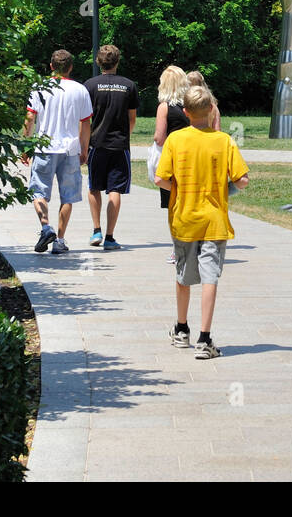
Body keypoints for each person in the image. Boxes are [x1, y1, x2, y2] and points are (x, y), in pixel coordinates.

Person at [155, 83, 249, 359]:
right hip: (214, 219)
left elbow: (161, 178)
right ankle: (204, 338)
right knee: (210, 276)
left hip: (184, 218)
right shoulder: (224, 141)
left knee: (184, 276)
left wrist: (180, 188)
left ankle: (182, 328)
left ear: (185, 112)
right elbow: (242, 180)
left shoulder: (176, 140)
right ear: (211, 110)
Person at [23, 49, 93, 255]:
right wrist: (84, 148)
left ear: (51, 66)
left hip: (44, 146)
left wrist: (26, 145)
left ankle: (46, 228)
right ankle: (60, 240)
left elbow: (30, 118)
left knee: (38, 190)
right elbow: (86, 123)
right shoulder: (80, 90)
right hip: (70, 149)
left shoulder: (38, 88)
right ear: (70, 67)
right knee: (68, 196)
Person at [84, 44, 138, 251]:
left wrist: (85, 142)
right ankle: (109, 236)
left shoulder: (90, 85)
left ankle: (96, 229)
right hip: (119, 145)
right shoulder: (128, 85)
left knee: (94, 186)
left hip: (96, 144)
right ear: (117, 61)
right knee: (115, 189)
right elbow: (131, 118)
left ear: (98, 62)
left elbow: (85, 119)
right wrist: (124, 135)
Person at [153, 64, 191, 217]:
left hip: (173, 159)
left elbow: (160, 138)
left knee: (174, 203)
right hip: (193, 155)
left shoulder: (165, 107)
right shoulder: (193, 105)